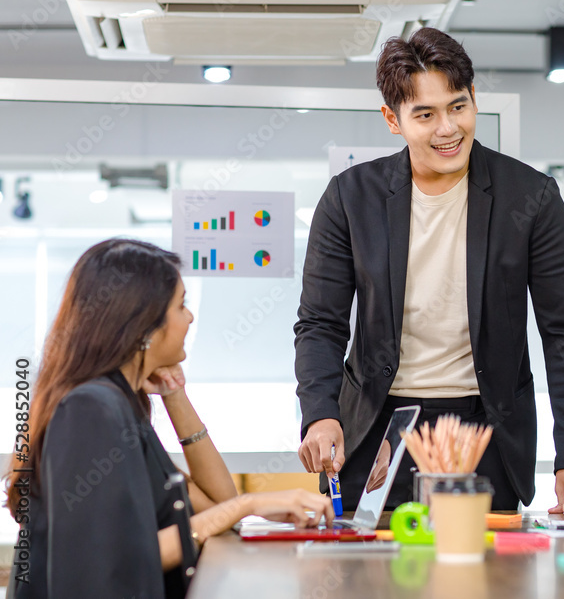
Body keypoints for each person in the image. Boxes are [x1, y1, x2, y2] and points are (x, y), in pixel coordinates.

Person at [294, 27, 564, 511]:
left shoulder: (532, 198)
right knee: (371, 580)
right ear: (392, 120)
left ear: (474, 97)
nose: (447, 129)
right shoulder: (350, 198)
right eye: (425, 115)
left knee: (483, 580)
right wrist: (319, 414)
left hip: (486, 432)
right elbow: (320, 324)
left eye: (458, 106)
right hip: (379, 428)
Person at [6, 239, 334, 599]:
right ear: (143, 326)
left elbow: (217, 503)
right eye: (181, 305)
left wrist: (175, 395)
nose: (190, 317)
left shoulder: (119, 402)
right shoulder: (92, 409)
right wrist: (250, 504)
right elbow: (120, 561)